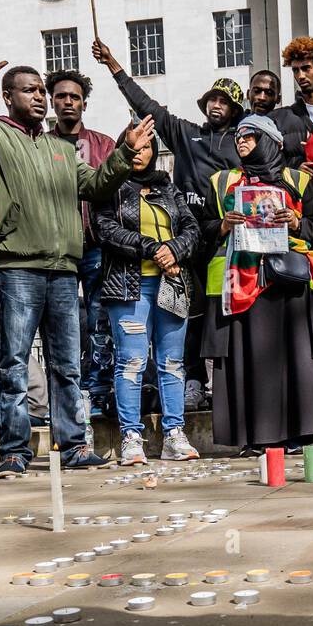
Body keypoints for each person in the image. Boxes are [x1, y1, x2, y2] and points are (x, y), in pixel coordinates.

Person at [0, 32, 149, 477]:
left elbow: (93, 187)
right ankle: (15, 451)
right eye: (30, 90)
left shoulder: (61, 147)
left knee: (67, 365)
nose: (40, 98)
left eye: (42, 91)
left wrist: (126, 151)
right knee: (13, 361)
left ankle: (72, 446)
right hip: (18, 267)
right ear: (8, 95)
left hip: (64, 267)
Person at [92, 39, 245, 414]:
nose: (216, 105)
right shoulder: (186, 134)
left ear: (236, 109)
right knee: (186, 317)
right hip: (186, 244)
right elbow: (149, 110)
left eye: (224, 101)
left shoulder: (243, 143)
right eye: (212, 98)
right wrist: (115, 68)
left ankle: (230, 386)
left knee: (225, 315)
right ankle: (193, 383)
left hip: (229, 238)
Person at [200, 115, 313, 454]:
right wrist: (222, 226)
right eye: (239, 136)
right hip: (243, 283)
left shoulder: (299, 181)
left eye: (251, 136)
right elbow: (200, 227)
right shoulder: (222, 182)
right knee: (251, 360)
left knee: (295, 357)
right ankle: (256, 438)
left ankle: (299, 434)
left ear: (272, 142)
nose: (241, 141)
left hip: (289, 282)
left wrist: (298, 221)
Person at [94, 128, 202, 464]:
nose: (140, 151)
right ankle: (131, 436)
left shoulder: (168, 186)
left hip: (171, 284)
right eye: (134, 145)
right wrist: (152, 248)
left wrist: (174, 249)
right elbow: (106, 229)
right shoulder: (110, 187)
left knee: (172, 364)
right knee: (131, 362)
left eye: (147, 146)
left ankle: (174, 435)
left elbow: (192, 229)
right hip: (128, 286)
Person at [46, 68, 116, 423]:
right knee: (63, 327)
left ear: (84, 103)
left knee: (99, 324)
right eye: (61, 96)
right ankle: (69, 401)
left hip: (96, 247)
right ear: (52, 101)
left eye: (74, 97)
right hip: (57, 249)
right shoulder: (40, 145)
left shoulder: (104, 145)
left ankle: (100, 394)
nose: (68, 102)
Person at [273, 36, 313, 170]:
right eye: (295, 70)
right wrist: (294, 167)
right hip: (302, 188)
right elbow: (270, 159)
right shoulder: (281, 118)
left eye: (306, 68)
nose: (300, 76)